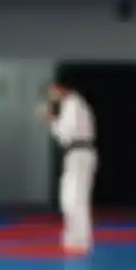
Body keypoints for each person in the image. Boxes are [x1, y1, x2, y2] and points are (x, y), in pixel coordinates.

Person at [44, 79, 97, 254]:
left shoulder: (73, 103)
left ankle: (80, 239)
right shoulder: (70, 104)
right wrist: (54, 120)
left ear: (61, 88)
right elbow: (62, 136)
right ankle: (73, 237)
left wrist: (54, 120)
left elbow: (67, 133)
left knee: (76, 197)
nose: (51, 96)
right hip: (74, 153)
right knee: (69, 198)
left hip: (80, 152)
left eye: (52, 92)